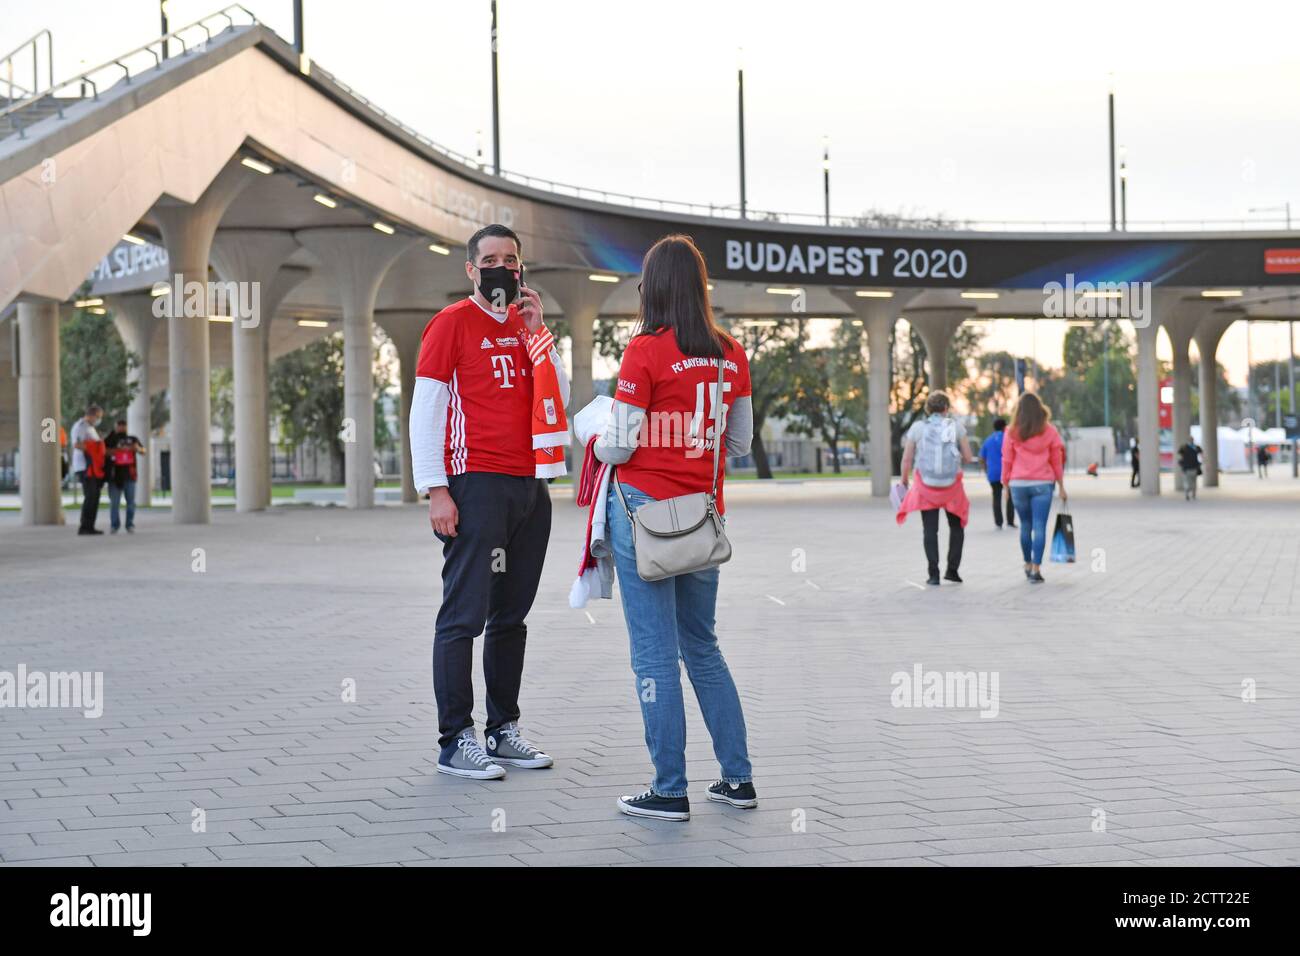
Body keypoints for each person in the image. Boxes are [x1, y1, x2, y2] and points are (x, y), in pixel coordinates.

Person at [595, 234, 757, 822]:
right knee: (703, 649)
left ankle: (668, 788)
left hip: (642, 511)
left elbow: (616, 445)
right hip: (702, 515)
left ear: (655, 288)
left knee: (654, 657)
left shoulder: (645, 351)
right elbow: (737, 442)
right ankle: (736, 779)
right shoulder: (730, 352)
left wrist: (598, 434)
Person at [408, 223, 568, 780]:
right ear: (472, 270)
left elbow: (559, 401)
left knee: (511, 617)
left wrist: (539, 334)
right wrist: (436, 490)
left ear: (522, 268)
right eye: (491, 259)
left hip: (530, 488)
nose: (503, 267)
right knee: (463, 617)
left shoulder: (530, 329)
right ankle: (455, 739)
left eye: (512, 259)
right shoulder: (451, 324)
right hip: (473, 485)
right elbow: (424, 412)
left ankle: (503, 731)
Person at [897, 391, 975, 585]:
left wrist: (904, 480)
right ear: (946, 408)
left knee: (930, 530)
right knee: (957, 528)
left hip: (926, 486)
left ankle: (933, 574)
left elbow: (907, 458)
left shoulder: (917, 428)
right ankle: (952, 570)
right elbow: (967, 457)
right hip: (951, 488)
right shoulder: (956, 427)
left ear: (928, 409)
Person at [1002, 392, 1067, 583]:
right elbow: (1057, 461)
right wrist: (1062, 486)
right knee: (1039, 526)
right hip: (1042, 483)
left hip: (1018, 484)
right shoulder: (1050, 431)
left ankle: (1027, 563)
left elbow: (1007, 460)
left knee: (1025, 526)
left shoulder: (1011, 431)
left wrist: (1005, 486)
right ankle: (1036, 570)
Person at [69, 404, 106, 536]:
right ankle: (84, 526)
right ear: (91, 415)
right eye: (98, 417)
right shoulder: (81, 426)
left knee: (95, 497)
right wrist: (94, 449)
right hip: (85, 467)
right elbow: (77, 444)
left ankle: (90, 526)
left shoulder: (90, 428)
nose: (98, 420)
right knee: (90, 497)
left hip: (93, 468)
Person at [104, 419, 146, 533]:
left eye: (124, 426)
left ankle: (129, 524)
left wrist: (137, 448)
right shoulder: (110, 439)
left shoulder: (133, 439)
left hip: (130, 475)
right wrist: (119, 450)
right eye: (119, 425)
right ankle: (114, 525)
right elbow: (103, 451)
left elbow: (143, 451)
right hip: (114, 475)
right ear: (115, 426)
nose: (121, 428)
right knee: (114, 503)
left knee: (131, 502)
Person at [979, 417, 1015, 529]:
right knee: (1010, 497)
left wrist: (985, 470)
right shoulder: (1008, 438)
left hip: (993, 473)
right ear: (1005, 427)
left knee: (996, 497)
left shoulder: (988, 440)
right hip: (1008, 473)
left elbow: (981, 457)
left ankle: (998, 523)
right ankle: (1010, 522)